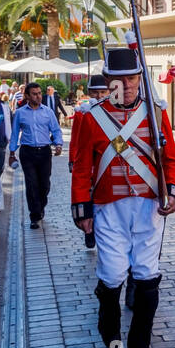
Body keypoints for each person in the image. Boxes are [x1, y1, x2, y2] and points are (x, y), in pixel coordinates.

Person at [70, 47, 175, 348]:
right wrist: (82, 209)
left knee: (147, 274)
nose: (128, 84)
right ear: (108, 81)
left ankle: (139, 345)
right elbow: (81, 167)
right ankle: (111, 335)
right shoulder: (91, 118)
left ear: (140, 79)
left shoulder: (155, 113)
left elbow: (170, 160)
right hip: (110, 208)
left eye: (132, 78)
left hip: (148, 206)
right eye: (120, 79)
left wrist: (171, 193)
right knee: (113, 274)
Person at [9, 82, 64, 228]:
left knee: (44, 184)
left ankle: (40, 207)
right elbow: (14, 133)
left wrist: (58, 144)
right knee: (32, 184)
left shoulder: (48, 112)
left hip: (45, 152)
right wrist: (12, 152)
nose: (38, 96)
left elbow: (56, 130)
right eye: (34, 94)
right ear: (27, 96)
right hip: (27, 152)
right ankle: (34, 215)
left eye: (39, 93)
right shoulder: (20, 113)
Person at [68, 73, 110, 248]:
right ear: (88, 93)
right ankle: (89, 231)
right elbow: (76, 140)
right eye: (95, 93)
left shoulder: (113, 112)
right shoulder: (82, 113)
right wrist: (73, 160)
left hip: (105, 162)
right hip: (88, 163)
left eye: (102, 92)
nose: (99, 96)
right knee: (89, 196)